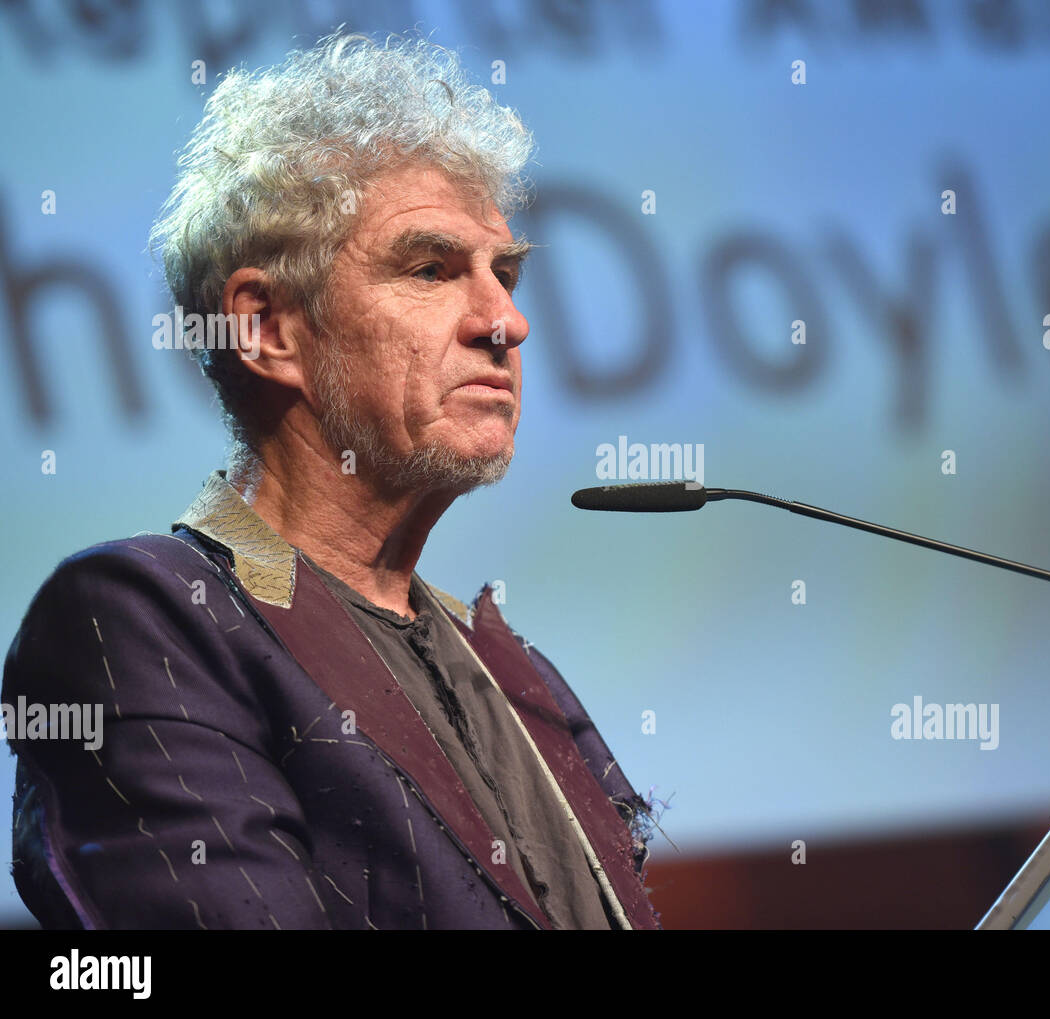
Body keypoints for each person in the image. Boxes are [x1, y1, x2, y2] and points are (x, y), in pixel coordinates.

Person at [2, 30, 659, 930]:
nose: (506, 321)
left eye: (503, 274)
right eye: (431, 269)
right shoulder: (141, 622)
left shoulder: (512, 673)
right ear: (267, 328)